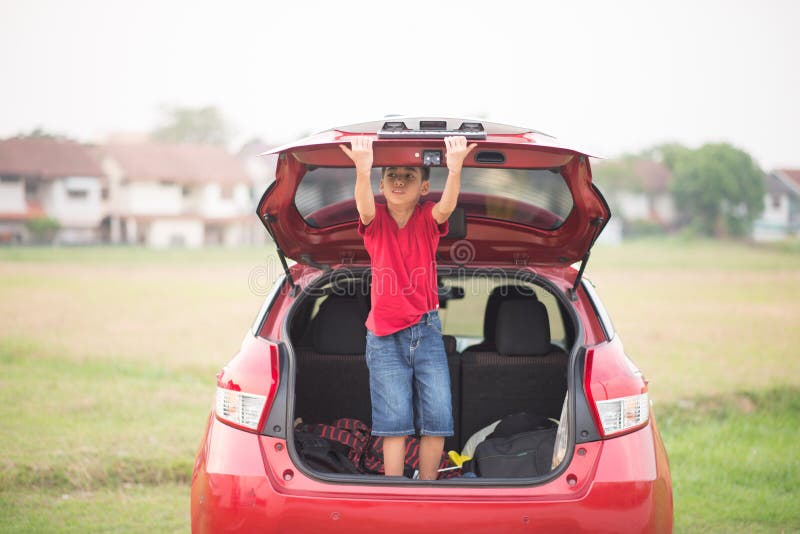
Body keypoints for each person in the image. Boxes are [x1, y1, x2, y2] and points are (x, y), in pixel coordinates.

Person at [339, 135, 476, 480]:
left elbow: (446, 207)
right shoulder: (375, 222)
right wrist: (362, 169)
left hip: (426, 330)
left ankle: (428, 489)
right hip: (384, 336)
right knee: (393, 422)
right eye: (392, 176)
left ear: (425, 186)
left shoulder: (429, 218)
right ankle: (395, 489)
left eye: (409, 176)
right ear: (381, 184)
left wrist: (455, 169)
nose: (399, 182)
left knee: (438, 417)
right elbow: (364, 207)